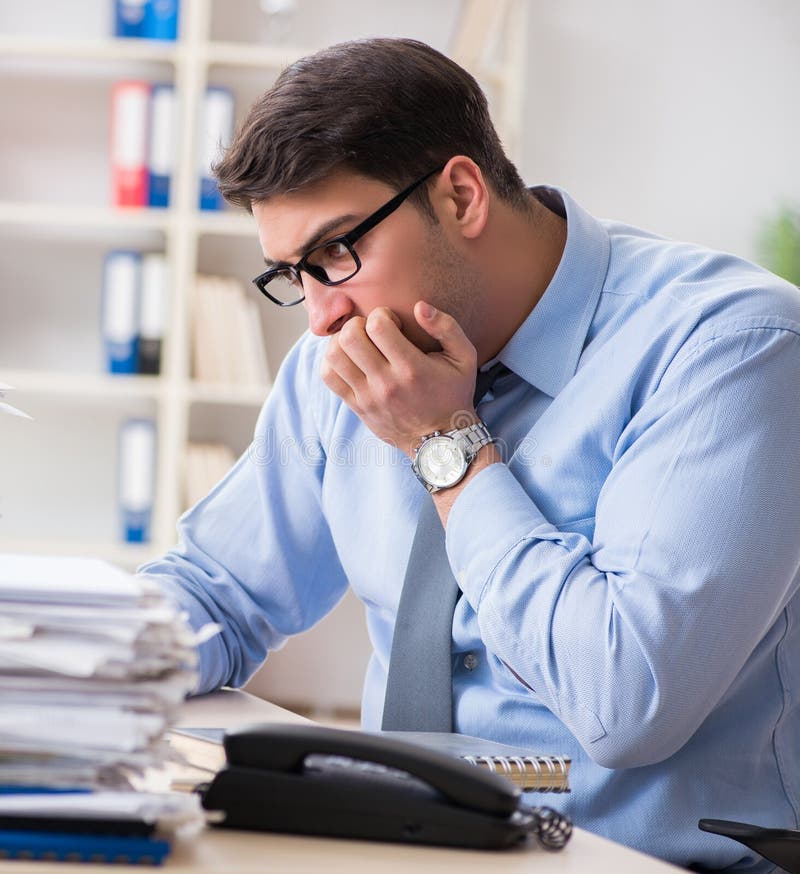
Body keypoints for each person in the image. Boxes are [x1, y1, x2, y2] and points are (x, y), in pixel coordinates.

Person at [140, 37, 800, 871]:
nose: (319, 319)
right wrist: (74, 666)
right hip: (398, 845)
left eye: (338, 252)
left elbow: (627, 705)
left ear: (459, 194)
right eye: (292, 274)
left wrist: (444, 444)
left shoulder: (734, 348)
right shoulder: (345, 353)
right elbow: (218, 590)